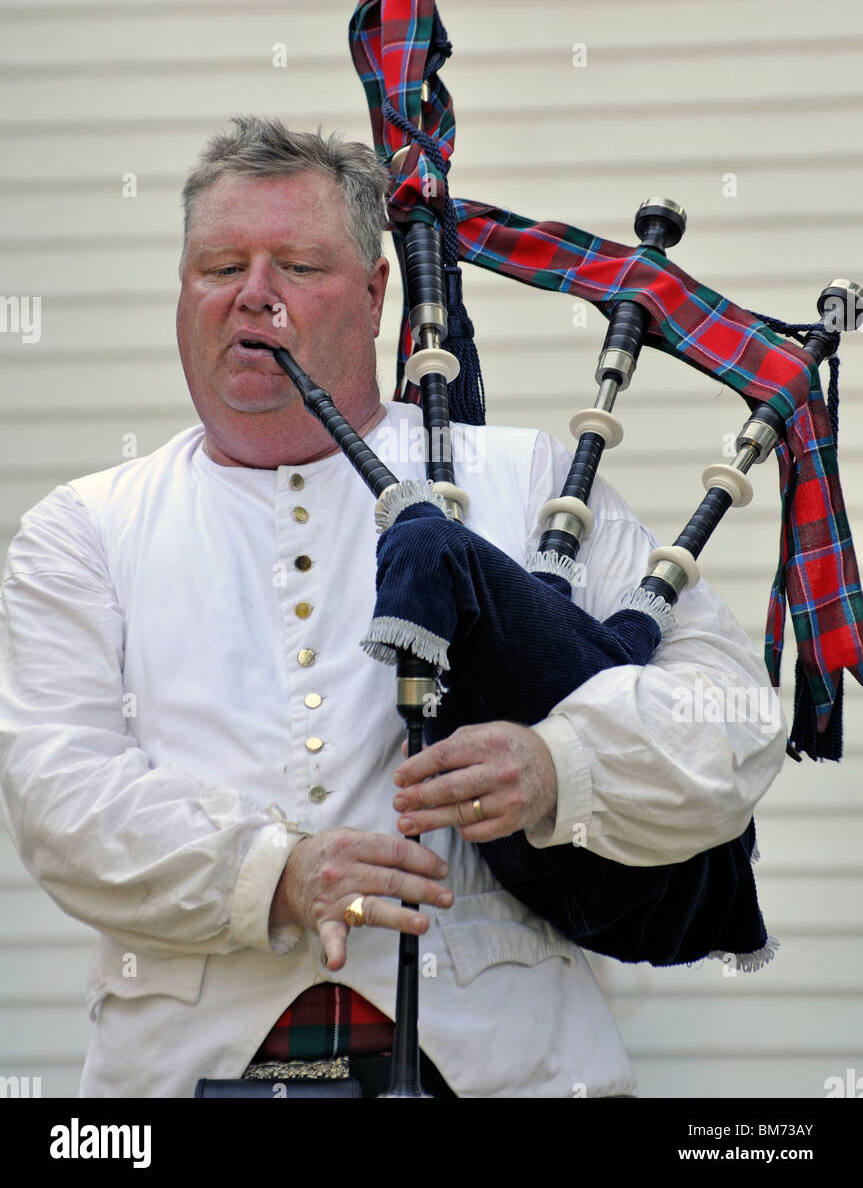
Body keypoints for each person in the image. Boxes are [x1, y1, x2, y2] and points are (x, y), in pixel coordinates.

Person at [0, 118, 786, 1099]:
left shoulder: (530, 482)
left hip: (505, 1072)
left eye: (296, 264)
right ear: (183, 294)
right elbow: (60, 795)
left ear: (375, 294)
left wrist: (558, 764)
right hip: (181, 1079)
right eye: (218, 266)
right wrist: (272, 872)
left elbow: (731, 720)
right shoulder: (84, 531)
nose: (254, 292)